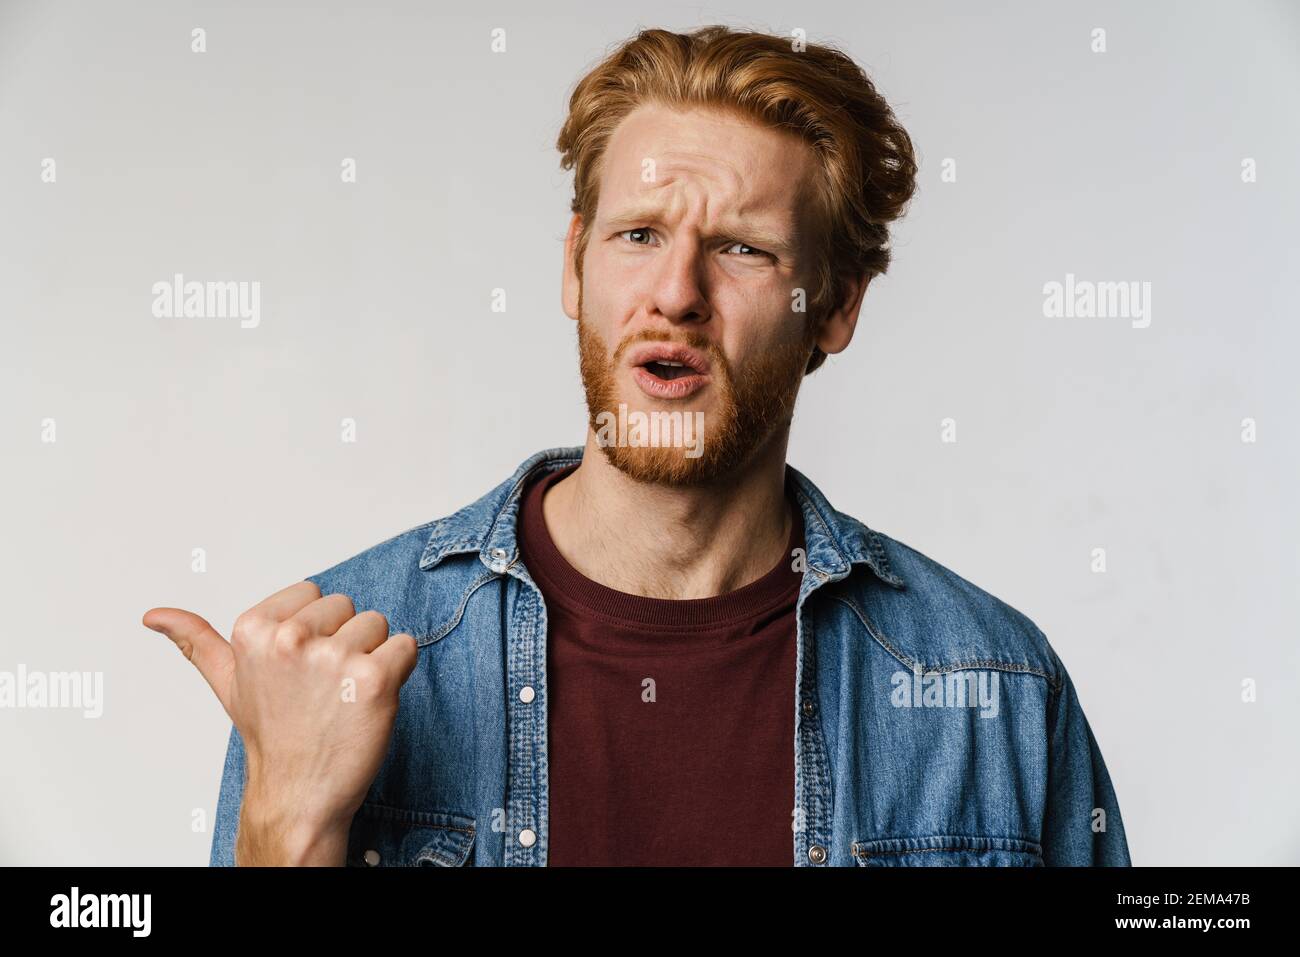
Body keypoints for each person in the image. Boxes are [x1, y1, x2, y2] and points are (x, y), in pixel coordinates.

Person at [143, 25, 1130, 867]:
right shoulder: (344, 658)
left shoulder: (990, 687)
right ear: (574, 267)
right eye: (639, 236)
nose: (676, 294)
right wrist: (287, 825)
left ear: (831, 307)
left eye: (743, 246)